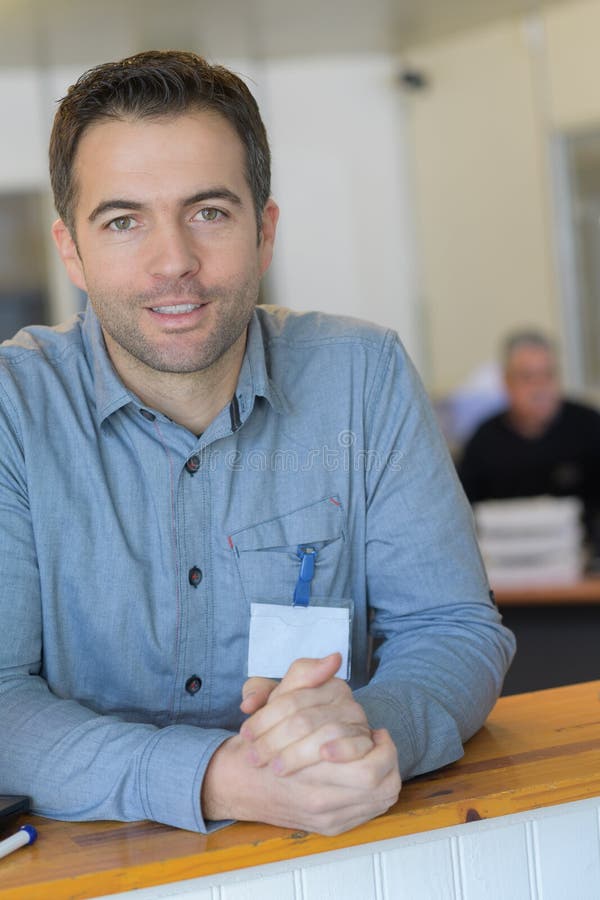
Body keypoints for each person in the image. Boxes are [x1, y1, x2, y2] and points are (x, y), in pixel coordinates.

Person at [0, 50, 514, 836]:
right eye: (123, 220)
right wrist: (215, 781)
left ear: (264, 230)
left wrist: (368, 733)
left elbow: (452, 629)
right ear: (70, 248)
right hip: (99, 868)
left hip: (349, 849)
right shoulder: (12, 407)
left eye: (209, 211)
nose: (174, 262)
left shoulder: (362, 375)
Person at [458, 330, 600, 549]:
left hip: (583, 559)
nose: (540, 387)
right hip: (504, 562)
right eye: (527, 377)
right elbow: (464, 514)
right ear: (506, 382)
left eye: (548, 375)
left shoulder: (589, 427)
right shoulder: (484, 441)